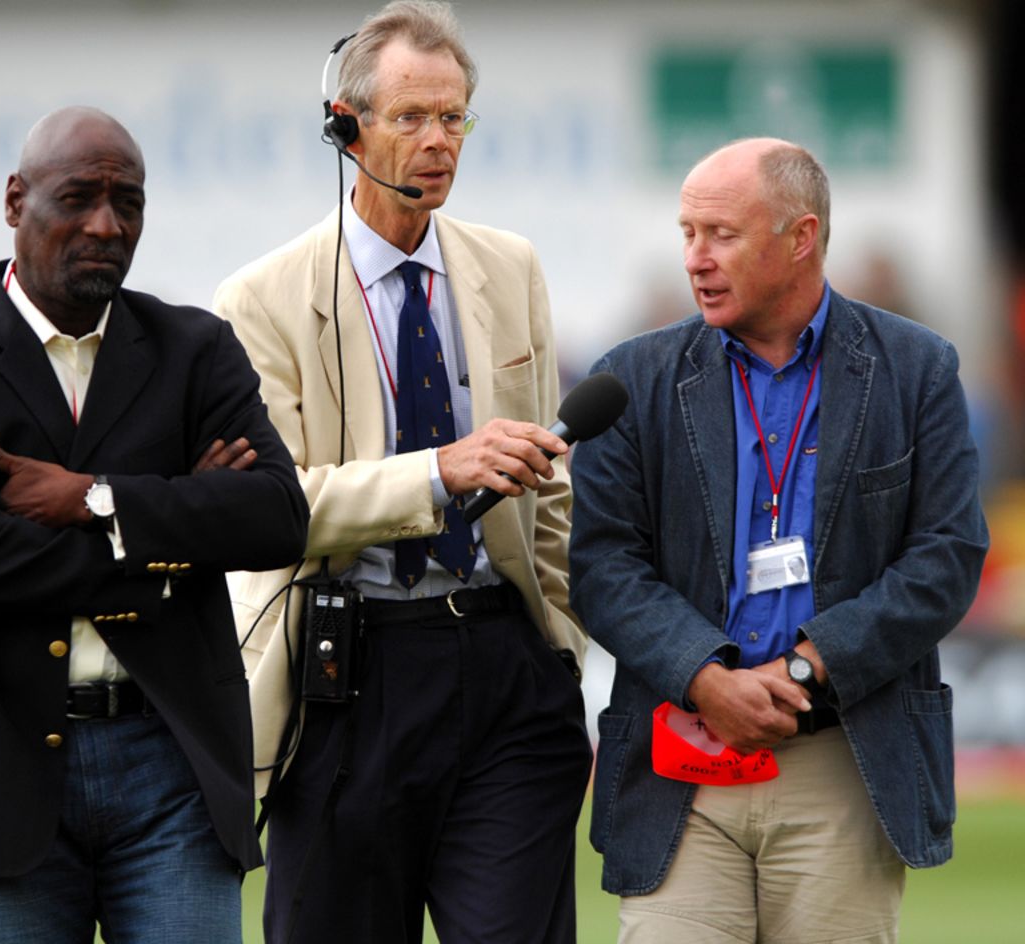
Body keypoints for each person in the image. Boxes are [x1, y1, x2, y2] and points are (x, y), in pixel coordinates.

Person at [0, 106, 309, 944]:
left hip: (173, 758)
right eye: (79, 198)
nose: (107, 224)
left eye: (128, 202)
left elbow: (277, 518)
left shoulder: (195, 350)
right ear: (14, 201)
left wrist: (95, 499)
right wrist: (168, 550)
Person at [212, 3, 591, 941]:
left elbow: (550, 498)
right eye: (412, 117)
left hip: (508, 672)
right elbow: (269, 507)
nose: (438, 142)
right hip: (347, 678)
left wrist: (561, 652)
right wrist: (437, 474)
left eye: (454, 118)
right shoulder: (259, 299)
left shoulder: (513, 267)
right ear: (346, 126)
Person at [569, 137, 989, 944]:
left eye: (720, 234)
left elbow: (946, 558)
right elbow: (601, 566)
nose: (696, 258)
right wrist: (705, 677)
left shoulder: (916, 368)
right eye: (687, 233)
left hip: (844, 757)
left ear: (800, 237)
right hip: (682, 760)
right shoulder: (633, 377)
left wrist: (807, 667)